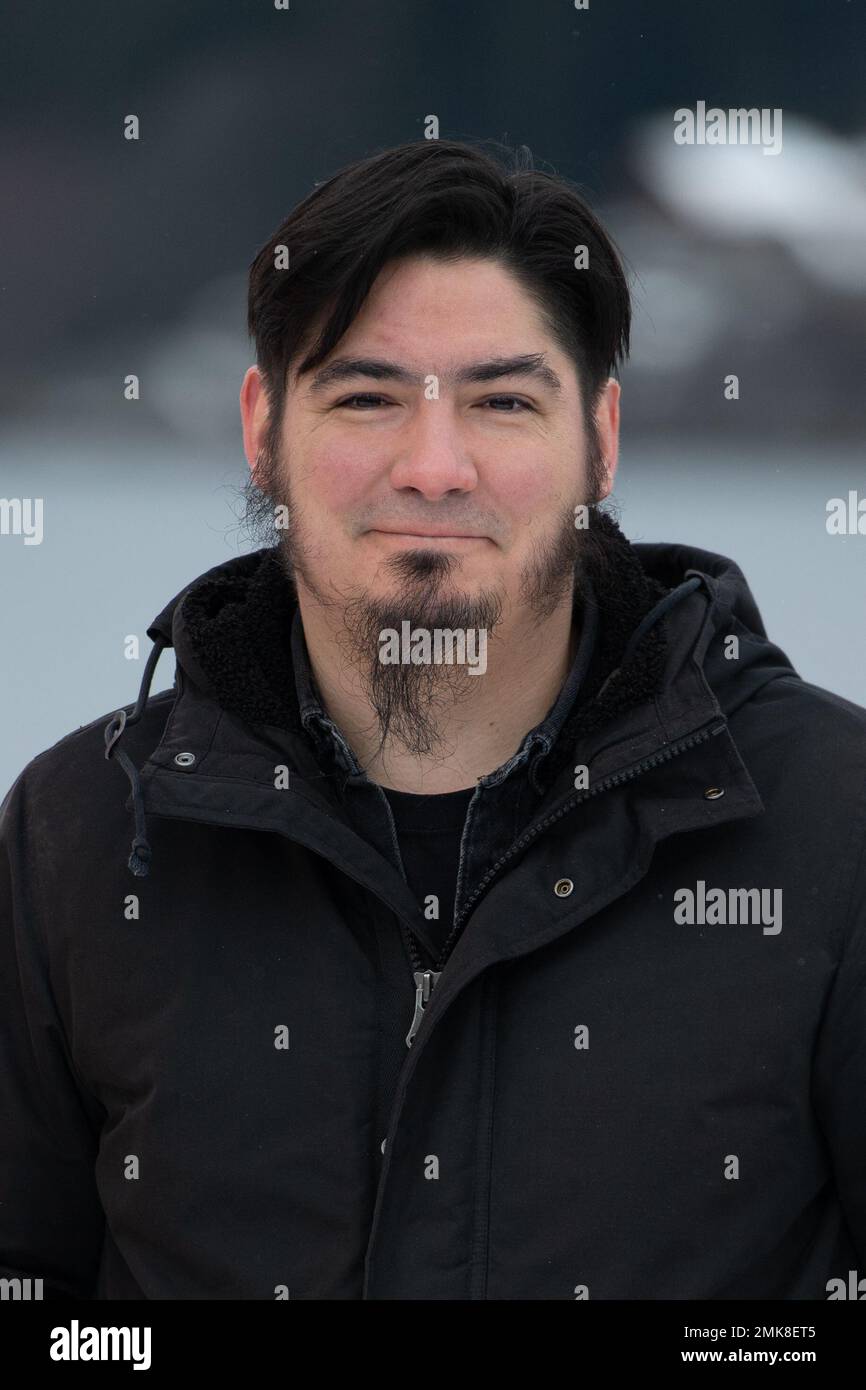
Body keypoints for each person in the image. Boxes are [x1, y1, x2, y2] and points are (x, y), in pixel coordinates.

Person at [1, 138, 864, 1301]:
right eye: (364, 395)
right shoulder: (85, 833)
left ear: (598, 442)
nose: (435, 465)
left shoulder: (829, 824)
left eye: (502, 400)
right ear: (263, 428)